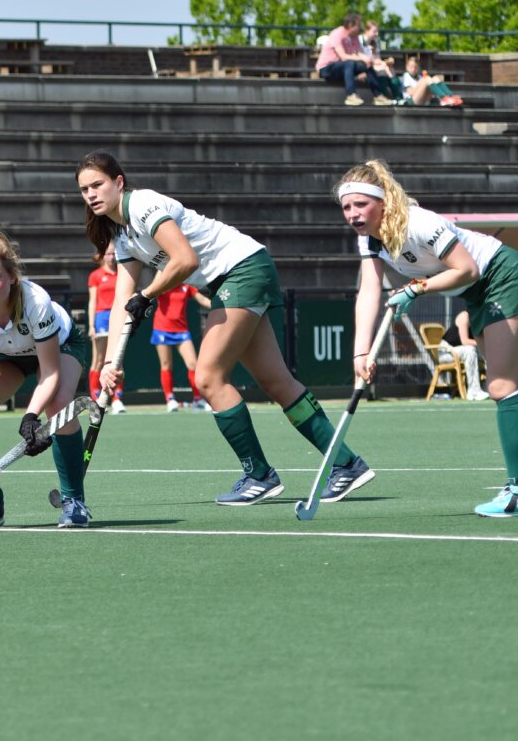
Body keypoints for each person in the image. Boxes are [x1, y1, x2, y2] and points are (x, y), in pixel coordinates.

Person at [79, 150, 376, 506]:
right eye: (84, 190)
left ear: (119, 182)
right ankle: (346, 464)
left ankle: (259, 474)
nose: (91, 194)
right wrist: (112, 362)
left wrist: (149, 292)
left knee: (208, 377)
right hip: (233, 278)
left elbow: (184, 260)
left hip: (242, 270)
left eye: (97, 184)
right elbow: (120, 306)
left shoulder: (143, 205)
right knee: (275, 380)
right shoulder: (124, 237)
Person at [338, 159, 518, 516]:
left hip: (503, 278)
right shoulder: (371, 241)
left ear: (383, 200)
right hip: (478, 296)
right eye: (346, 207)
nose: (352, 213)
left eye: (360, 204)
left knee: (502, 386)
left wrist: (417, 288)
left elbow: (466, 269)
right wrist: (360, 353)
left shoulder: (418, 222)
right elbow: (368, 293)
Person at [0, 228, 91, 528]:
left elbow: (50, 371)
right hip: (5, 358)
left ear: (12, 276)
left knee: (59, 405)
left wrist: (30, 416)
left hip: (61, 347)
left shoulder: (35, 301)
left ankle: (74, 501)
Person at [152, 283, 212, 412]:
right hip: (161, 329)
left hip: (182, 331)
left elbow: (202, 300)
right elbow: (155, 286)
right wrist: (162, 269)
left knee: (193, 364)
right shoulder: (162, 284)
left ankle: (198, 399)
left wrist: (221, 307)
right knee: (166, 364)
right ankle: (170, 399)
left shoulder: (187, 286)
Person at [315, 12, 390, 107]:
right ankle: (351, 95)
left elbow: (359, 52)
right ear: (351, 25)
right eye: (358, 25)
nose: (360, 28)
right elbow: (343, 56)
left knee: (366, 66)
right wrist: (362, 59)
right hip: (327, 68)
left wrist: (367, 60)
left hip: (343, 68)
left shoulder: (354, 37)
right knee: (349, 63)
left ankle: (378, 95)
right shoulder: (337, 34)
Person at [87, 242, 125, 414]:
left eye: (113, 254)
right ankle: (96, 399)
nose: (111, 257)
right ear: (102, 256)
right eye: (108, 254)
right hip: (102, 318)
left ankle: (116, 398)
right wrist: (92, 325)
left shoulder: (121, 275)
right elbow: (92, 301)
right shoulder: (95, 276)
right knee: (99, 359)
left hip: (117, 317)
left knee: (117, 360)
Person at [439, 310, 491, 400]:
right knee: (470, 350)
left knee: (489, 354)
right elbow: (465, 341)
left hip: (462, 352)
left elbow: (483, 343)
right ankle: (474, 391)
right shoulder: (465, 316)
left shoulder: (480, 320)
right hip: (446, 353)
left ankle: (488, 388)